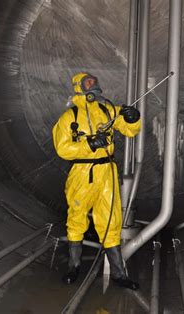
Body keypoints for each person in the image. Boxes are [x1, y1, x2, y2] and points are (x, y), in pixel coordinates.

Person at [52, 72, 141, 290]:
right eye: (88, 83)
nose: (93, 86)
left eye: (94, 82)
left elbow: (129, 130)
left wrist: (133, 117)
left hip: (107, 172)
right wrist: (90, 145)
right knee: (76, 218)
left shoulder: (106, 110)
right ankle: (73, 267)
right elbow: (62, 148)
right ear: (78, 87)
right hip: (82, 173)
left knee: (111, 220)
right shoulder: (69, 117)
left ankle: (119, 274)